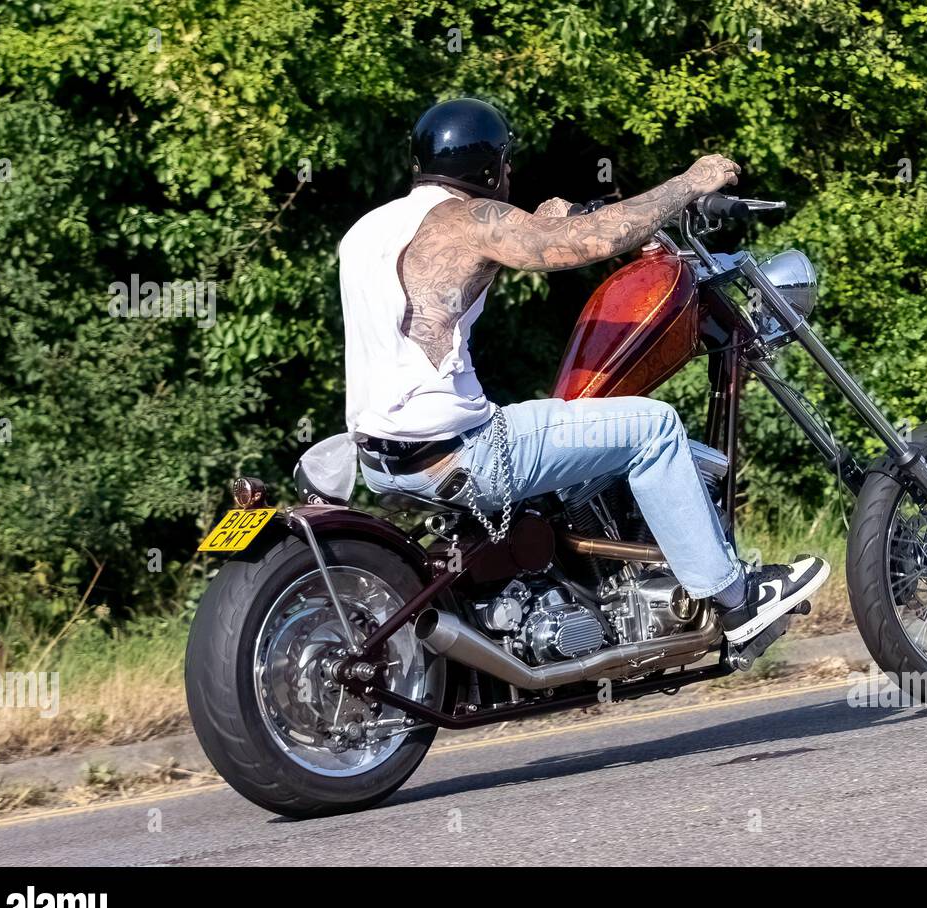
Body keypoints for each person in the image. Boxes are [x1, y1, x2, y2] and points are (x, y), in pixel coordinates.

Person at [340, 97, 827, 645]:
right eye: (505, 161)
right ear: (488, 167)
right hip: (461, 451)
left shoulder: (369, 230)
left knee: (566, 419)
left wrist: (542, 224)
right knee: (654, 427)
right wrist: (690, 183)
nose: (510, 172)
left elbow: (448, 286)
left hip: (382, 459)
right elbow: (582, 246)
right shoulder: (471, 219)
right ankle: (737, 600)